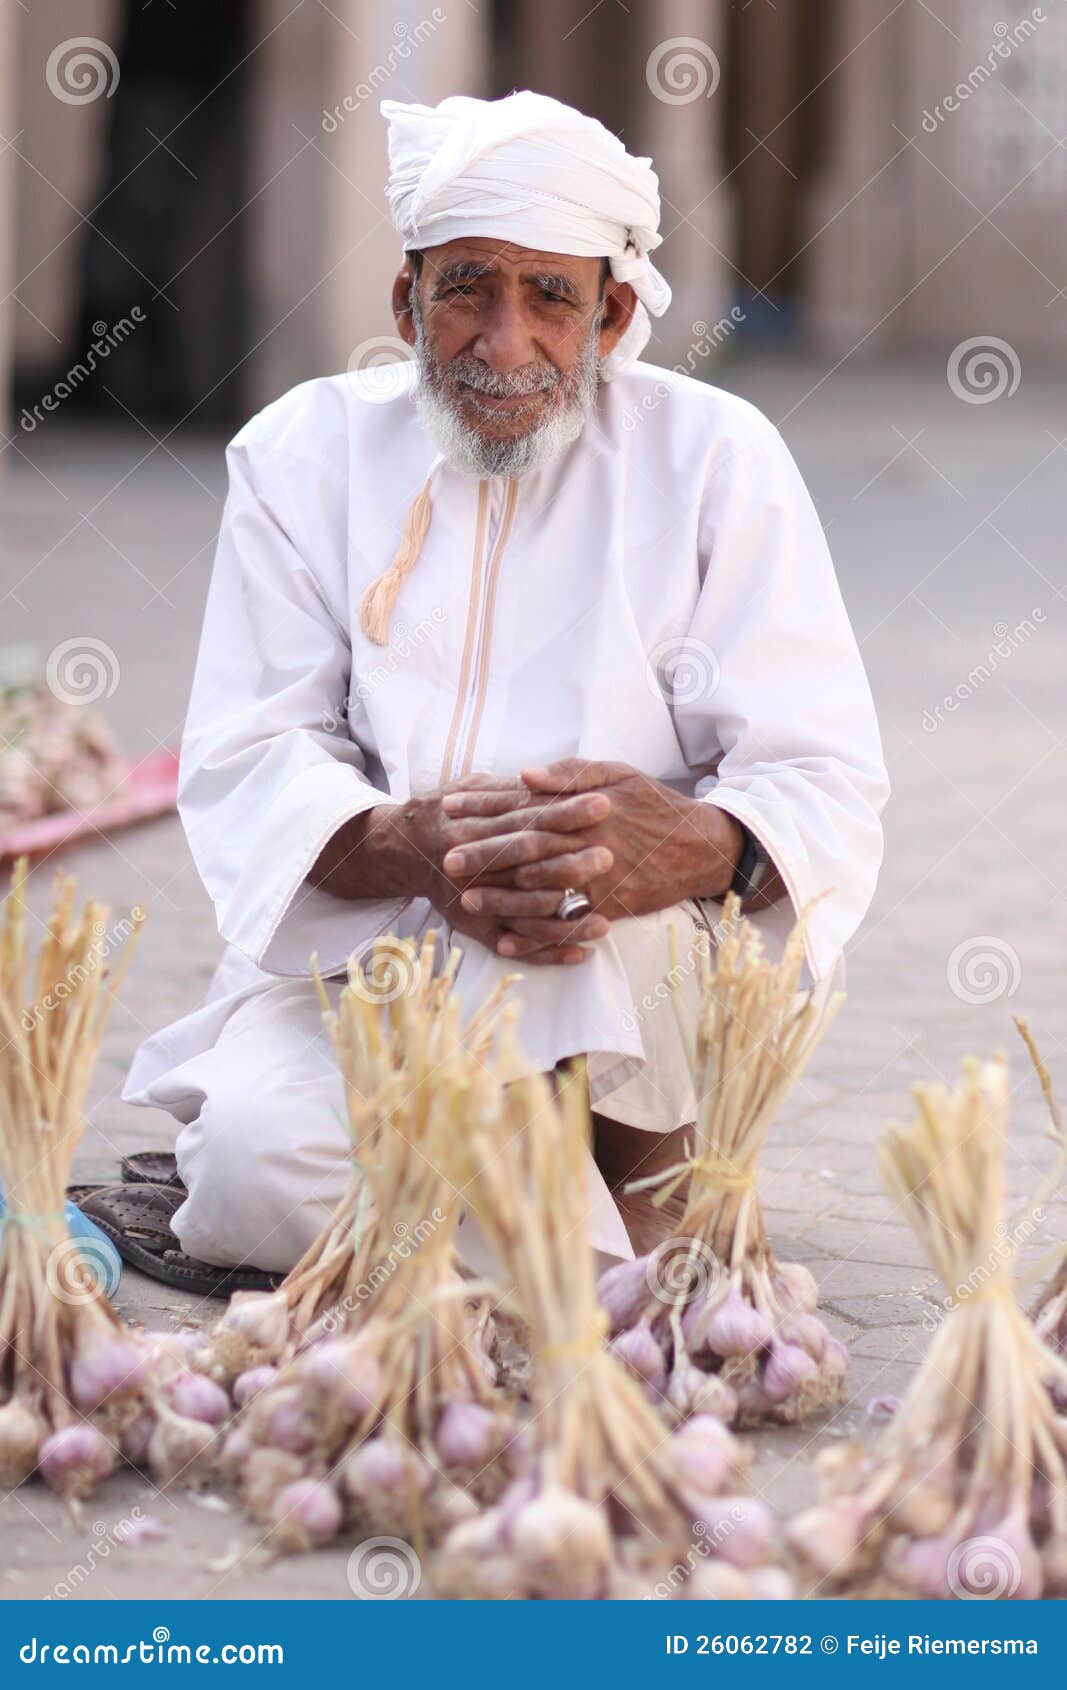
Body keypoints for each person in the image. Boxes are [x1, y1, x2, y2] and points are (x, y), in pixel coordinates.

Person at [81, 91, 888, 1296]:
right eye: (465, 288)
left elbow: (819, 779)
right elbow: (253, 752)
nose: (501, 343)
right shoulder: (303, 455)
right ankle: (627, 1232)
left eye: (548, 296)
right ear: (404, 302)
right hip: (379, 961)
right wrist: (409, 845)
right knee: (251, 1172)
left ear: (610, 315)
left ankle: (597, 1175)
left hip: (628, 959)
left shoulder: (715, 459)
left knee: (558, 1052)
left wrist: (682, 844)